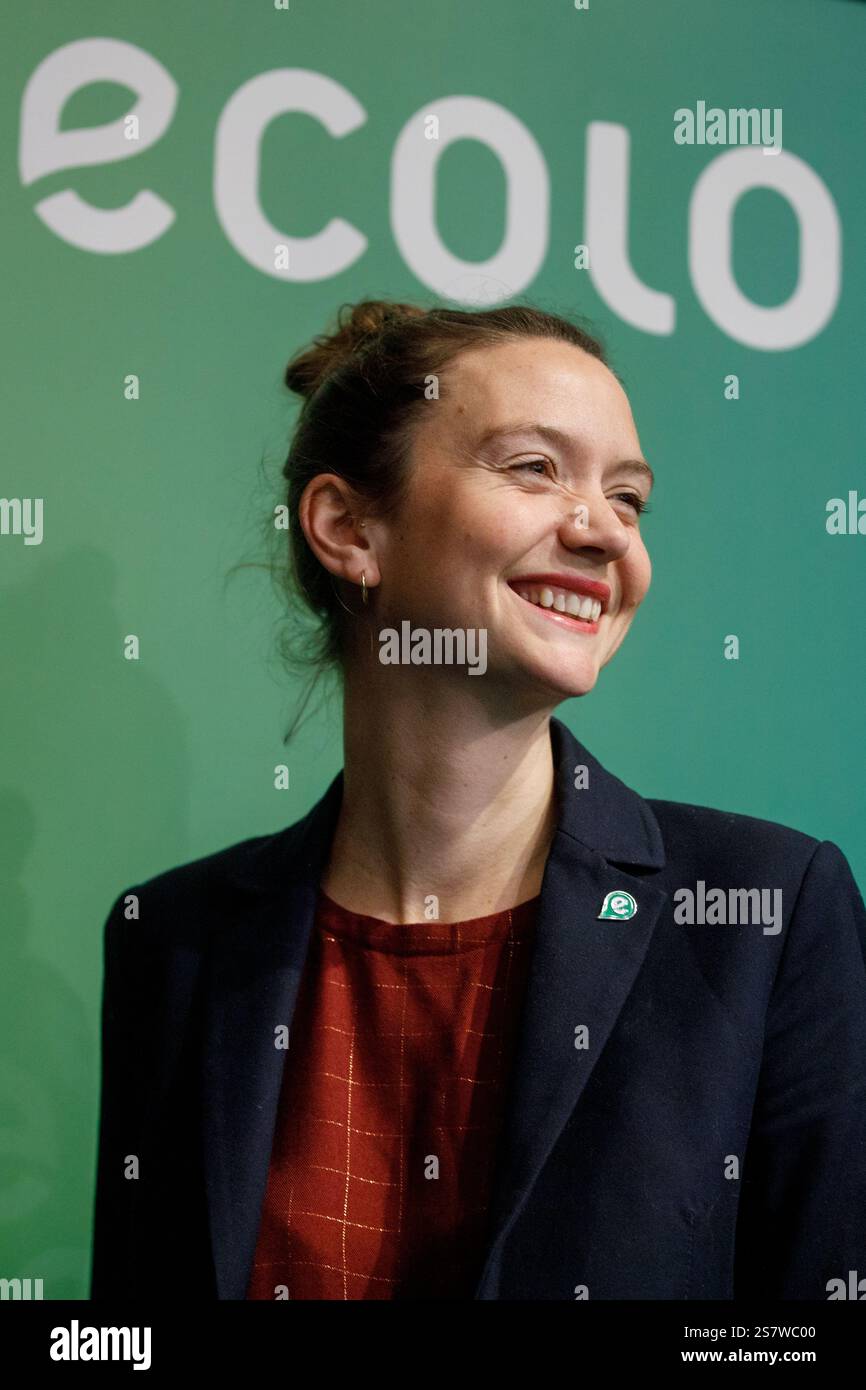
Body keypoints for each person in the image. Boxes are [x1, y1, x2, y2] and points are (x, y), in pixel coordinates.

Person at [90, 300, 866, 1301]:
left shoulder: (766, 914)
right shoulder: (176, 942)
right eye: (534, 467)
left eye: (627, 498)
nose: (600, 533)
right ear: (346, 527)